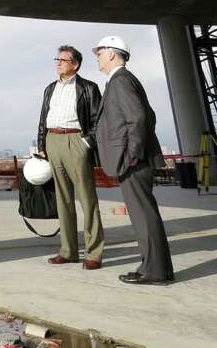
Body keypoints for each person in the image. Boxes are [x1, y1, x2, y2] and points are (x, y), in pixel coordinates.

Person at [92, 36, 174, 285]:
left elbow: (138, 118)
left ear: (112, 54)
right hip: (133, 159)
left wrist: (132, 155)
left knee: (143, 215)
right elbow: (149, 115)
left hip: (133, 161)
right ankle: (152, 266)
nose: (97, 56)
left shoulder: (120, 81)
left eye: (100, 52)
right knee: (142, 215)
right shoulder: (121, 80)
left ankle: (156, 272)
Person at [35, 44, 105, 269]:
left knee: (87, 199)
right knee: (62, 199)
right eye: (56, 59)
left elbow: (98, 121)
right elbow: (43, 118)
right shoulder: (49, 88)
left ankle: (93, 254)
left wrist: (86, 143)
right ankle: (68, 251)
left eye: (62, 60)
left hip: (76, 141)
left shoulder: (88, 88)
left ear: (75, 64)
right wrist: (42, 143)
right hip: (53, 141)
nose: (57, 63)